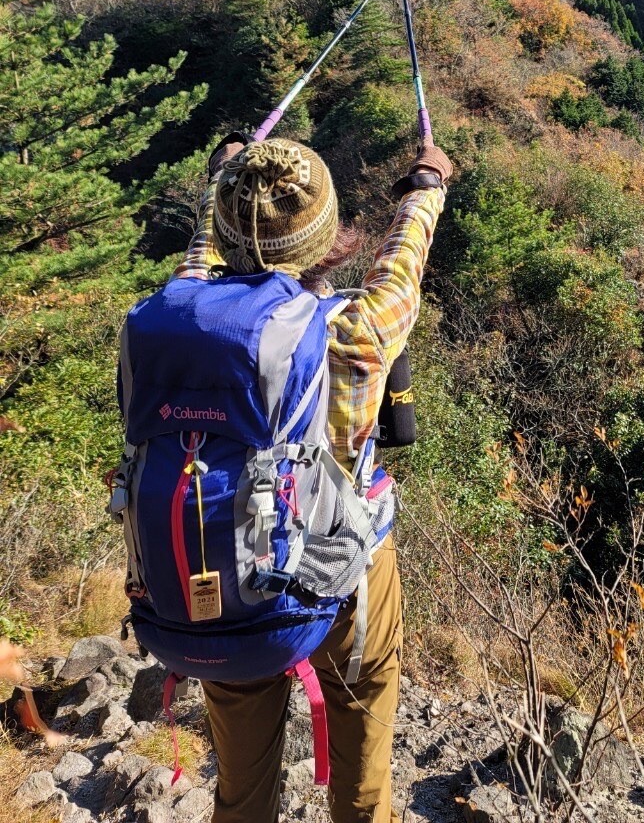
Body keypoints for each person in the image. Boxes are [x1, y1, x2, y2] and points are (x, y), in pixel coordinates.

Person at [172, 132, 453, 823]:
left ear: (227, 235)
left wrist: (226, 179)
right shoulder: (354, 332)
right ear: (327, 237)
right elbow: (401, 266)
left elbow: (199, 258)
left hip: (221, 579)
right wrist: (426, 186)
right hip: (342, 577)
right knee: (363, 743)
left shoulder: (180, 317)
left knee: (241, 791)